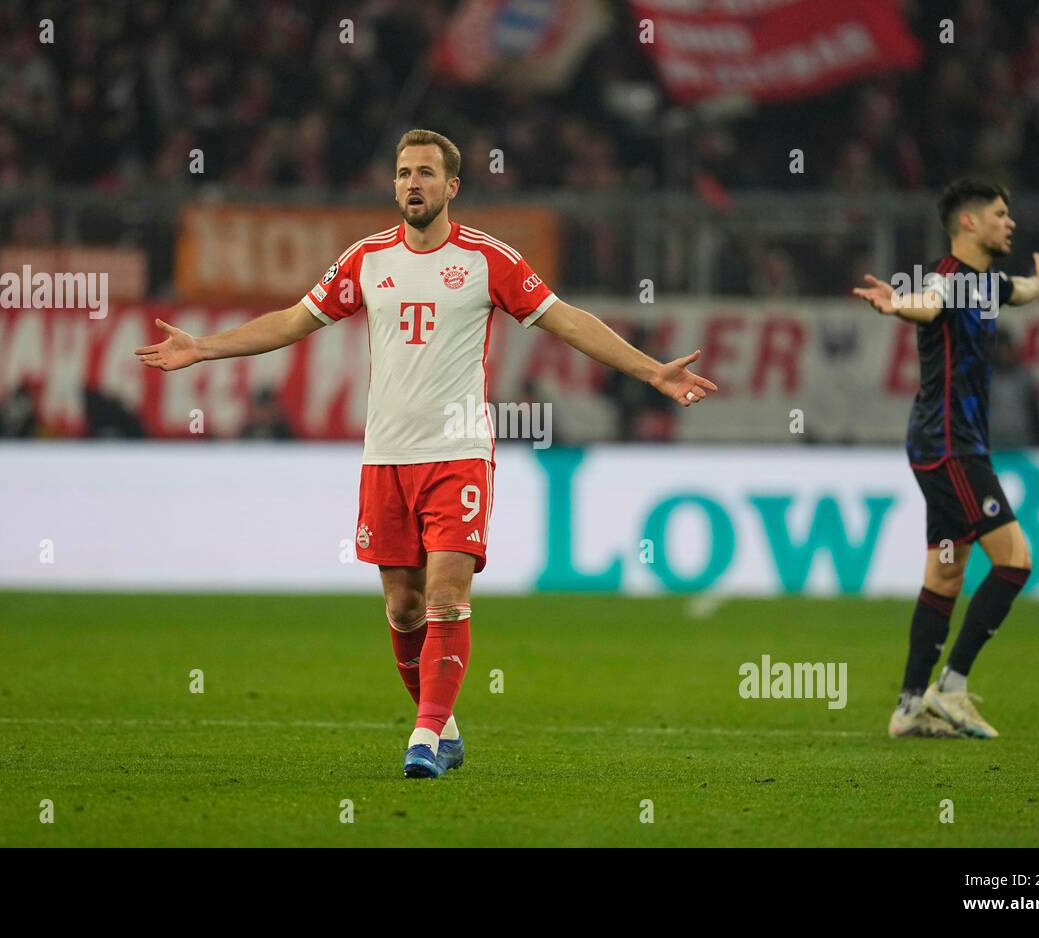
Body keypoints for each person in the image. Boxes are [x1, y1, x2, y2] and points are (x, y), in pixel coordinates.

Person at [136, 129, 718, 777]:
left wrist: (650, 373)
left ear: (451, 188)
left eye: (425, 173)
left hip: (459, 452)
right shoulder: (366, 259)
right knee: (403, 606)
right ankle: (446, 726)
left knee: (445, 592)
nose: (412, 182)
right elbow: (293, 320)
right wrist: (204, 348)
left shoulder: (487, 259)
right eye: (403, 172)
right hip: (385, 457)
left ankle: (423, 736)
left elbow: (567, 319)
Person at [853, 179, 1039, 739]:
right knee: (1016, 560)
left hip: (949, 446)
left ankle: (908, 706)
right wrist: (894, 304)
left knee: (947, 572)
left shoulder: (984, 283)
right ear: (969, 223)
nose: (1011, 222)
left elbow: (1014, 291)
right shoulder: (946, 280)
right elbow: (926, 307)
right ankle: (950, 687)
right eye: (1001, 213)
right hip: (949, 446)